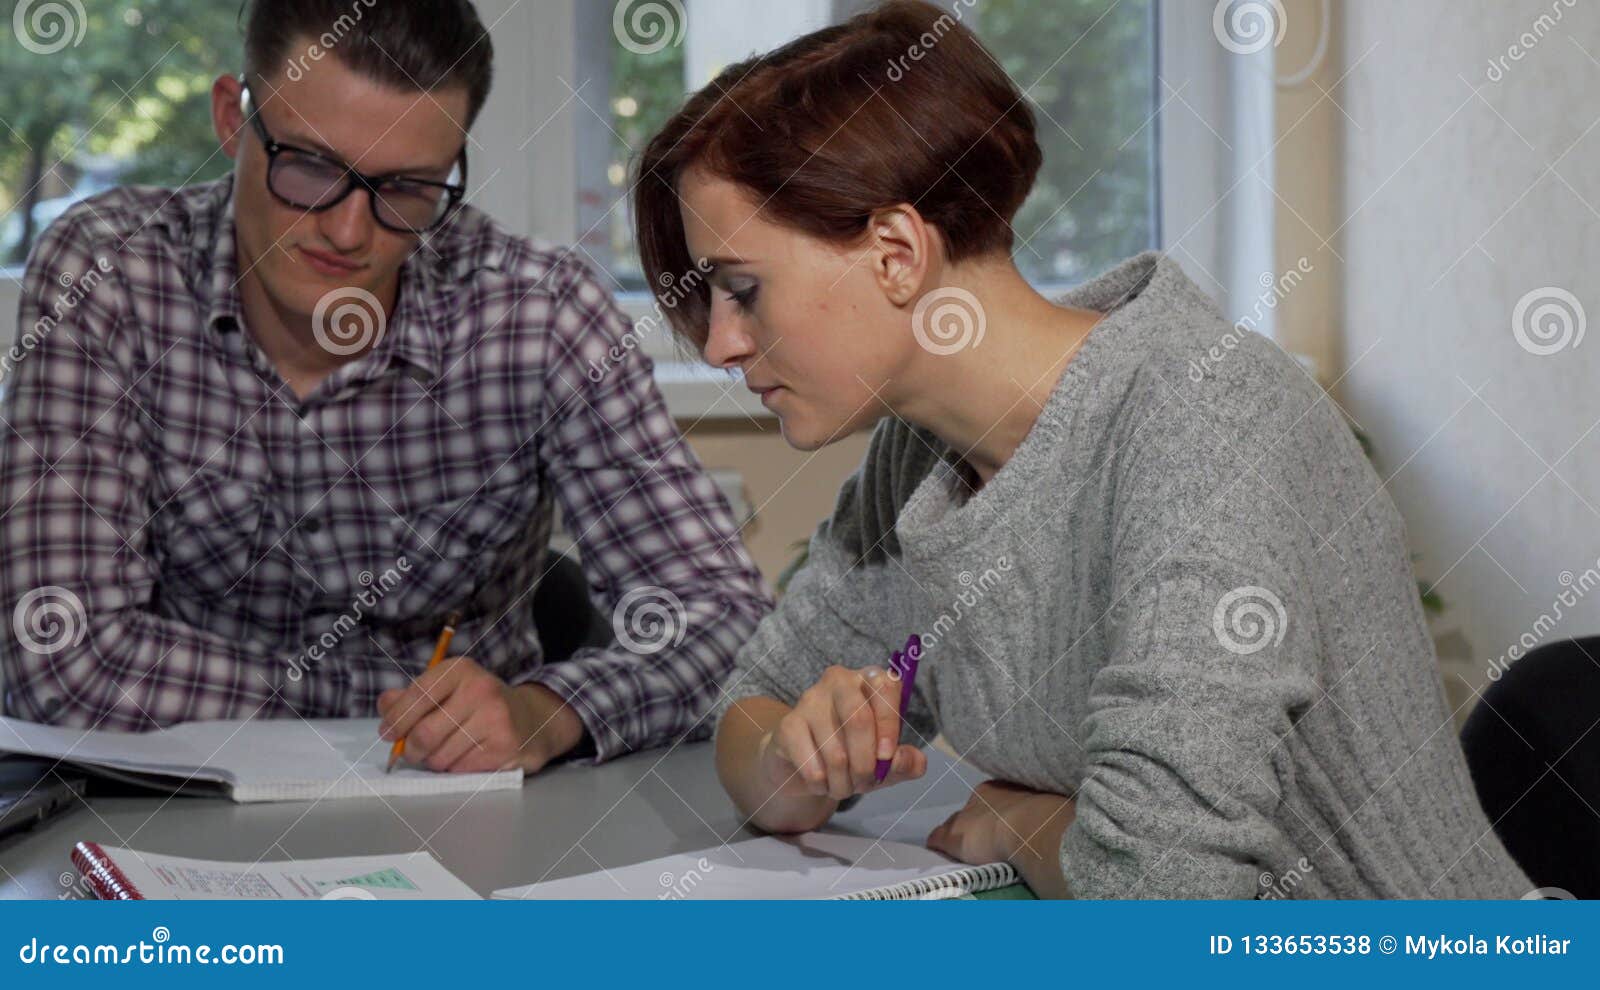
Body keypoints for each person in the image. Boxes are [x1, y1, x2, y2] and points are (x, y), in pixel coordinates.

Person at [631, 0, 1532, 898]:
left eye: (743, 290)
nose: (720, 345)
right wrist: (796, 761)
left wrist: (1022, 823)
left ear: (897, 252)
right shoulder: (919, 457)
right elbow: (753, 705)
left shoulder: (1203, 415)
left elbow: (1165, 896)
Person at [0, 0, 771, 774]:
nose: (347, 231)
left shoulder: (539, 313)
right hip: (155, 800)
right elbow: (60, 657)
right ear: (233, 119)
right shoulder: (109, 273)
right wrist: (386, 708)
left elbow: (726, 622)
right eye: (308, 167)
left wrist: (541, 712)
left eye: (406, 187)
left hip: (459, 805)